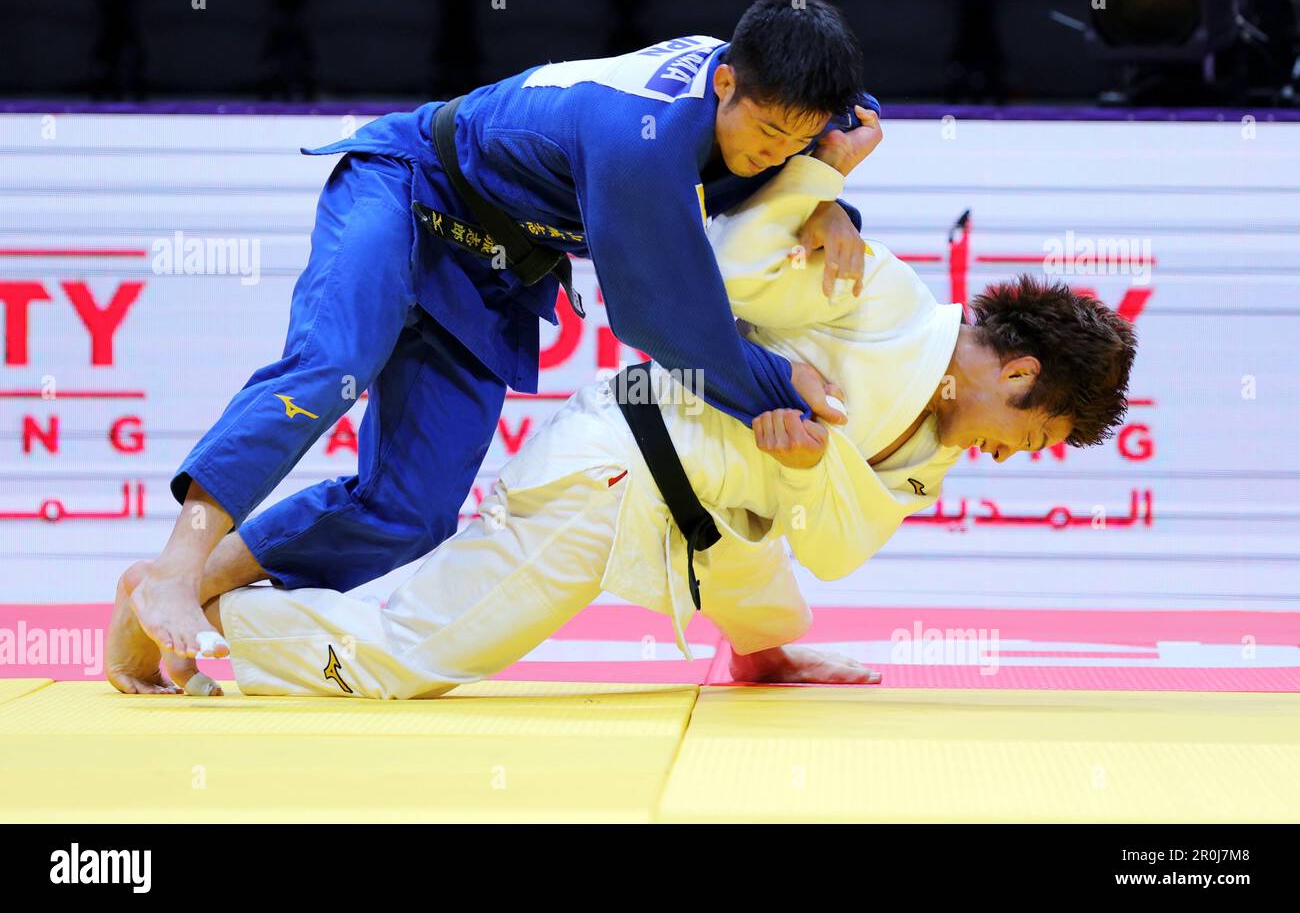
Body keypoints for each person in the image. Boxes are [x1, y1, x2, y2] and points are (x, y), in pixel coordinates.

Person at [107, 128, 1136, 698]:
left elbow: (829, 544)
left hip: (723, 515)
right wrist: (820, 203)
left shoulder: (931, 458)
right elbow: (717, 258)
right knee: (406, 660)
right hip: (618, 472)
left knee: (772, 570)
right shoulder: (877, 293)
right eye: (1035, 437)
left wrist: (801, 449)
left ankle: (761, 650)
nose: (1014, 458)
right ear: (1018, 372)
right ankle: (203, 611)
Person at [119, 0, 880, 667]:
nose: (775, 153)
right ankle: (177, 566)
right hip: (408, 186)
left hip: (494, 269)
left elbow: (845, 120)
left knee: (409, 514)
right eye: (769, 132)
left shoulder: (785, 90)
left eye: (796, 141)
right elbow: (659, 318)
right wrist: (776, 388)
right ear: (724, 82)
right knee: (332, 362)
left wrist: (828, 195)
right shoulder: (640, 138)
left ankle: (178, 588)